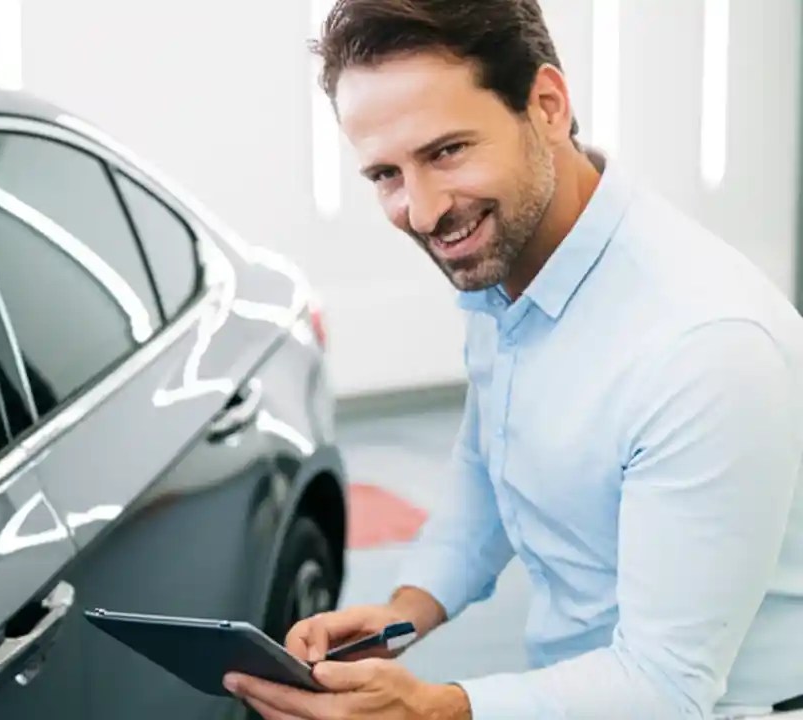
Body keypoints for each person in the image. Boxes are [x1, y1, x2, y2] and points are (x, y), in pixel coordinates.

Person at [223, 0, 803, 718]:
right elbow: (492, 470)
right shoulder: (513, 266)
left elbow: (665, 684)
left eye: (446, 152)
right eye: (385, 175)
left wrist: (435, 709)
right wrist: (404, 614)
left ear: (548, 106)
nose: (425, 210)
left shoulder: (706, 347)